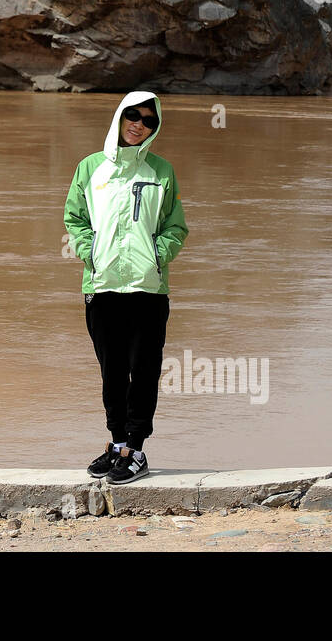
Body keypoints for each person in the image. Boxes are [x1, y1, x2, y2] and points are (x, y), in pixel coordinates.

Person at [63, 91, 188, 484]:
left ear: (156, 127)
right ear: (119, 117)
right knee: (112, 370)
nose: (139, 124)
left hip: (148, 289)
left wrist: (156, 254)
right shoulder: (90, 168)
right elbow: (74, 217)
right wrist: (91, 253)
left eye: (149, 120)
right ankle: (118, 445)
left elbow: (176, 226)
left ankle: (136, 448)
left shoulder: (162, 171)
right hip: (101, 286)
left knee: (144, 369)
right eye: (132, 115)